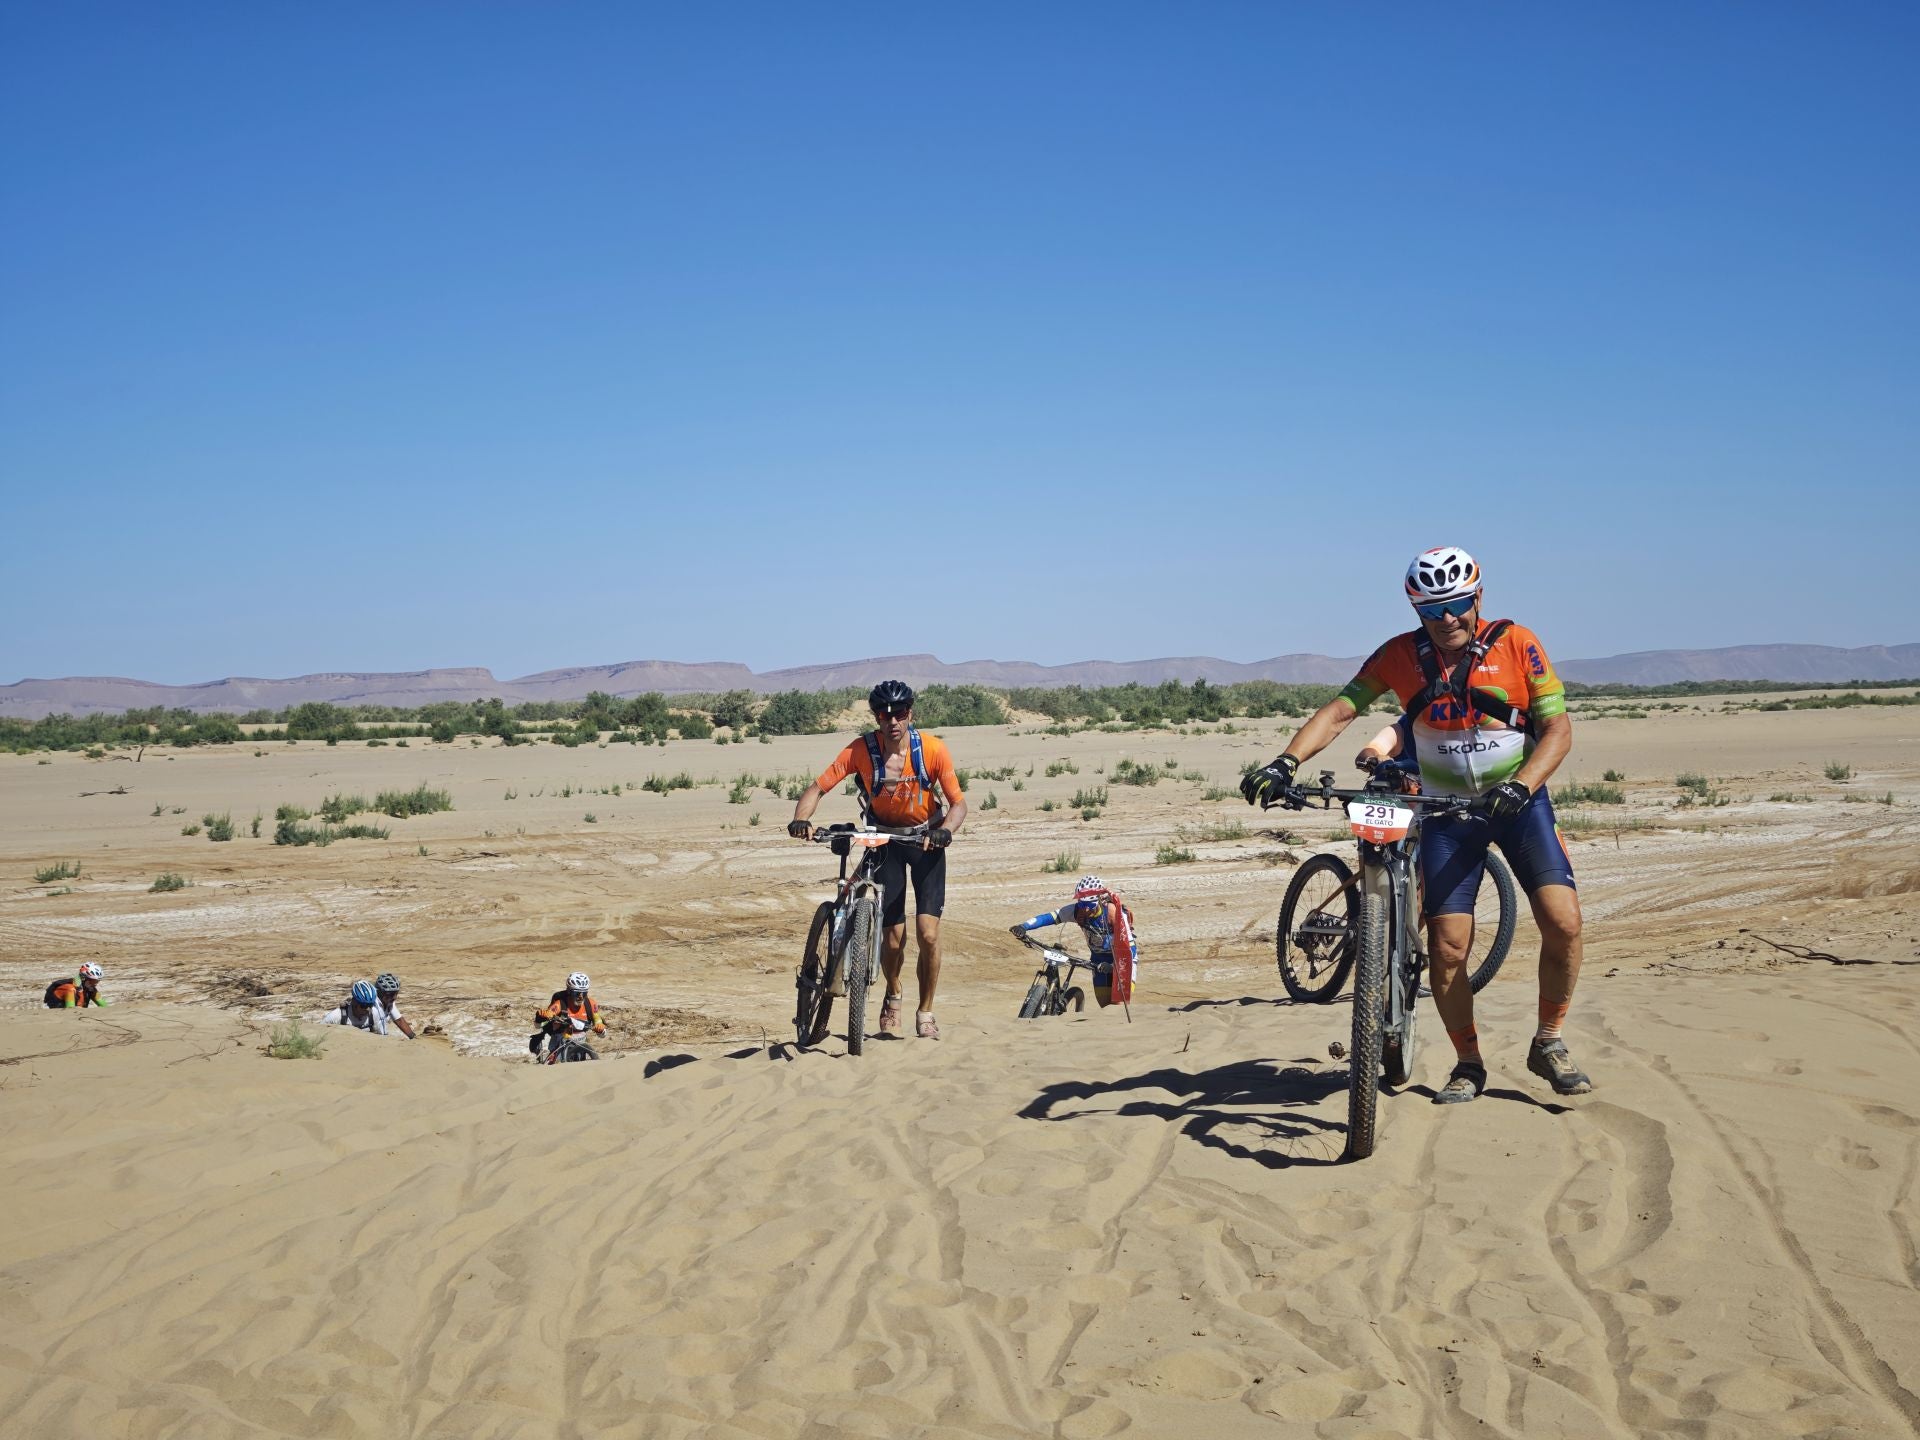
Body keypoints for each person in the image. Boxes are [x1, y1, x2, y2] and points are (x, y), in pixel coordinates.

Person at [1242, 545, 1591, 1102]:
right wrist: (1286, 761)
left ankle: (1548, 1040)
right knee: (1449, 948)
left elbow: (1558, 731)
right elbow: (1341, 710)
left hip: (1516, 804)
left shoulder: (1519, 643)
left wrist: (1520, 785)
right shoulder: (1398, 655)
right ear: (1416, 612)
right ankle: (1468, 1063)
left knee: (1564, 922)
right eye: (1432, 610)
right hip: (1447, 813)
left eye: (1455, 604)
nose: (1446, 619)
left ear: (1477, 597)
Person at [788, 680, 967, 1040]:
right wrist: (801, 818)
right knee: (893, 938)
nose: (892, 722)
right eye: (884, 716)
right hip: (884, 839)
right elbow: (818, 787)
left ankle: (926, 1010)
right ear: (876, 718)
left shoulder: (932, 750)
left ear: (910, 715)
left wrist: (946, 830)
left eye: (899, 715)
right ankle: (894, 992)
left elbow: (958, 803)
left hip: (925, 840)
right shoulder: (860, 750)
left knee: (928, 934)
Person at [1008, 874, 1136, 1008]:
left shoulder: (1113, 913)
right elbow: (1049, 917)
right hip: (1098, 958)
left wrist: (1115, 967)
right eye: (1082, 905)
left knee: (1117, 1006)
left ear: (1099, 899)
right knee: (1104, 1005)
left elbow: (1130, 948)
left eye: (1090, 906)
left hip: (1122, 959)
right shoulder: (1077, 911)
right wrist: (1024, 926)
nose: (1085, 909)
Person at [531, 972, 606, 1056]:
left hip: (580, 1046)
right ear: (569, 991)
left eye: (584, 993)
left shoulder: (591, 1004)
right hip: (559, 1045)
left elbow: (600, 1029)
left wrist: (601, 1029)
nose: (581, 996)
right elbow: (539, 1025)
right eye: (576, 993)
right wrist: (541, 1017)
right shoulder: (560, 1004)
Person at [321, 980, 391, 1035]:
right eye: (363, 1006)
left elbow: (383, 1037)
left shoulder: (374, 1014)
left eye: (370, 1005)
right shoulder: (336, 1016)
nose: (367, 1009)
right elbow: (319, 1033)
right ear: (354, 1001)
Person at [44, 962, 109, 1009]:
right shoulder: (69, 988)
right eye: (93, 981)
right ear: (84, 978)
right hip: (58, 1018)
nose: (95, 984)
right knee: (70, 989)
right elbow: (72, 1012)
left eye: (97, 981)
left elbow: (105, 1007)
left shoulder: (90, 988)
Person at [372, 972, 416, 1039]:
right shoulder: (372, 1006)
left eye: (396, 993)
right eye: (391, 994)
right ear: (380, 993)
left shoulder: (389, 1002)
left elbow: (399, 1020)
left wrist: (413, 1037)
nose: (395, 997)